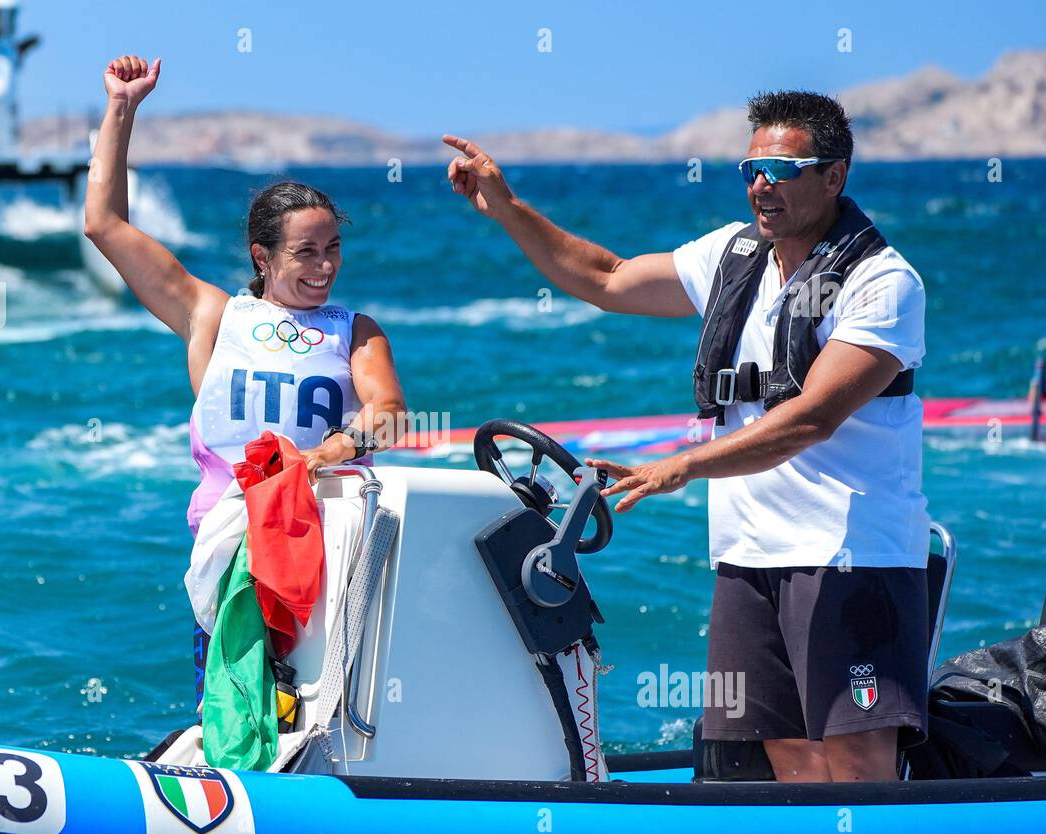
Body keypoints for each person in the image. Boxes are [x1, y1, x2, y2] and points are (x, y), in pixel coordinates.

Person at [444, 91, 929, 783]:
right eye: (752, 169)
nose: (763, 185)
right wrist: (508, 209)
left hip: (853, 557)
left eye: (784, 170)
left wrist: (683, 467)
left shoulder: (884, 283)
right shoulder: (733, 256)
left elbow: (813, 417)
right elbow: (607, 279)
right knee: (787, 758)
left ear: (834, 176)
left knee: (856, 765)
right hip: (749, 555)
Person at [84, 55, 408, 709]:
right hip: (233, 540)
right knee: (234, 706)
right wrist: (122, 109)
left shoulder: (355, 330)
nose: (325, 267)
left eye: (333, 250)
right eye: (306, 253)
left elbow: (392, 413)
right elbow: (104, 226)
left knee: (308, 704)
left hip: (320, 536)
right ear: (263, 256)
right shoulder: (213, 314)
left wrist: (331, 450)